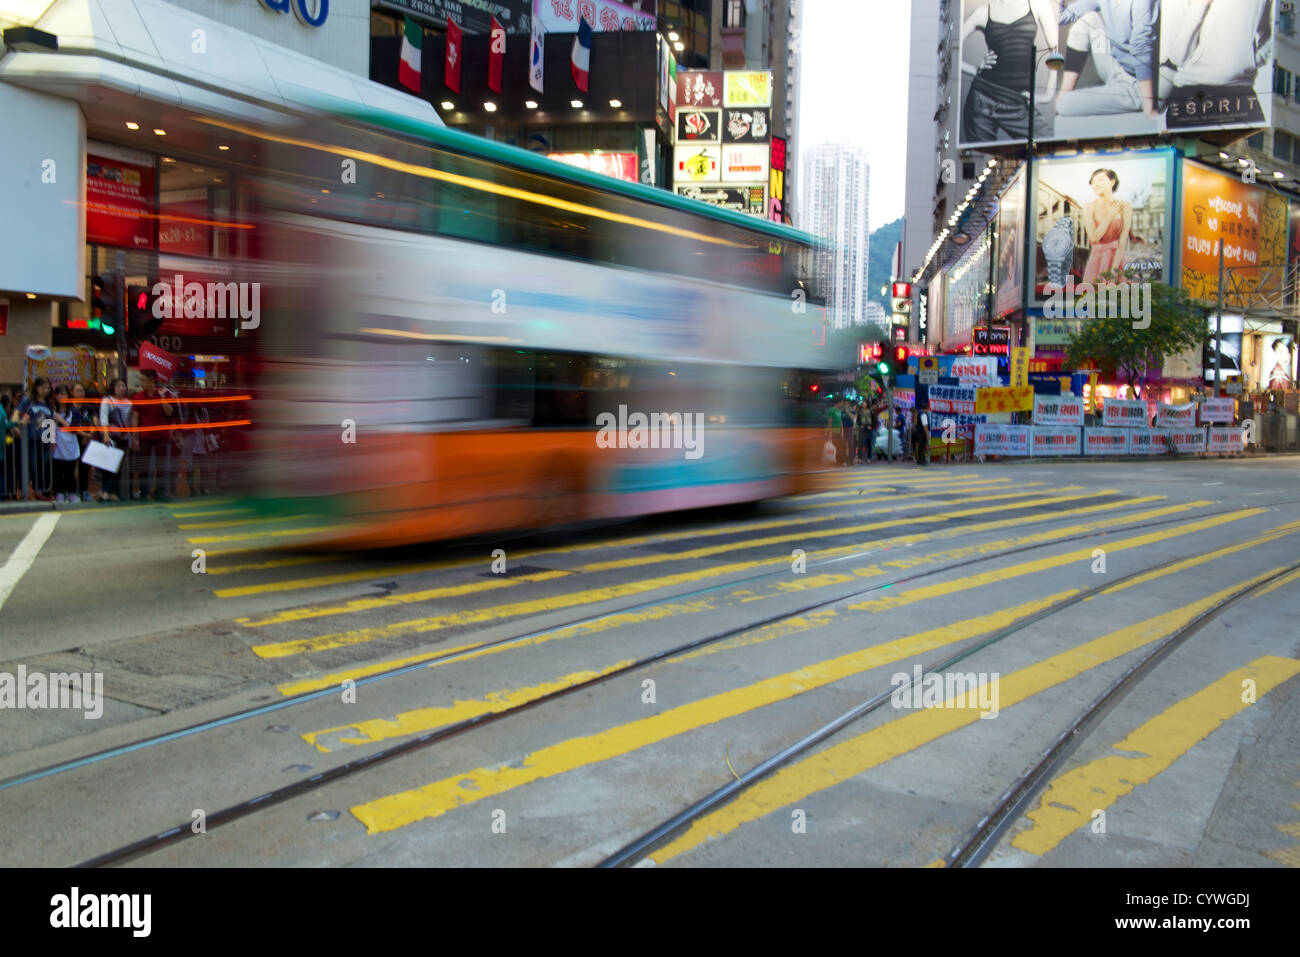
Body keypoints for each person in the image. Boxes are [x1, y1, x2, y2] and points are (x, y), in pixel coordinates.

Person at [961, 0, 1062, 142]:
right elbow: (952, 48)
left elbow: (1055, 52)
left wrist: (1048, 95)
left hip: (1018, 101)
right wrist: (975, 69)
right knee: (981, 160)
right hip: (982, 99)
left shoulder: (1037, 4)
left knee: (1045, 146)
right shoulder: (983, 13)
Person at [1055, 0, 1161, 120]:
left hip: (1139, 84)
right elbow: (1062, 17)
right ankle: (1063, 94)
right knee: (1088, 19)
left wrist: (1149, 107)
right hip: (1117, 67)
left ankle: (1142, 100)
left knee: (1066, 104)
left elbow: (1142, 47)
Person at [131, 370, 178, 500]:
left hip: (162, 436)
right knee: (144, 467)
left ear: (152, 381)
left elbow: (169, 413)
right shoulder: (138, 397)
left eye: (143, 380)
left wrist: (163, 398)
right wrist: (135, 438)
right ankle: (144, 493)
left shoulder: (164, 393)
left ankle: (160, 493)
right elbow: (135, 418)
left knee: (162, 467)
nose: (141, 383)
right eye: (141, 380)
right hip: (145, 436)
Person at [1080, 168, 1131, 282]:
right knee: (1094, 296)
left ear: (1112, 182)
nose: (1096, 185)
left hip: (1117, 260)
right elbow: (1093, 237)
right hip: (1096, 261)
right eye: (1093, 183)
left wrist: (1113, 271)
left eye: (1100, 180)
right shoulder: (1089, 207)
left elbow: (1122, 242)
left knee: (1119, 296)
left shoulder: (1124, 205)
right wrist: (1110, 216)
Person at [16, 376, 55, 500]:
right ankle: (24, 492)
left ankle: (39, 492)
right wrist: (17, 425)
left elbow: (51, 422)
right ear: (37, 388)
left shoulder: (49, 404)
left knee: (41, 466)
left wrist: (52, 440)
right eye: (43, 388)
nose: (46, 390)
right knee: (30, 465)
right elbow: (17, 413)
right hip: (30, 438)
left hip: (45, 440)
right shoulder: (28, 401)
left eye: (48, 388)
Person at [99, 378, 132, 501]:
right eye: (118, 386)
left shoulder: (129, 403)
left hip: (124, 437)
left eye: (123, 386)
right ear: (113, 387)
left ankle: (114, 492)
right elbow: (104, 419)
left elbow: (129, 422)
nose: (121, 388)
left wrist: (131, 437)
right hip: (111, 437)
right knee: (107, 465)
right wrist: (106, 435)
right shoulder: (107, 401)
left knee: (118, 466)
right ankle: (105, 491)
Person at [49, 386, 83, 504]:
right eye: (58, 394)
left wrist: (61, 420)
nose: (61, 397)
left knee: (70, 470)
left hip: (71, 444)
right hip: (57, 444)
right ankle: (59, 493)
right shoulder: (51, 411)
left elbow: (74, 430)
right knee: (58, 470)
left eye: (64, 394)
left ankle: (71, 493)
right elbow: (48, 428)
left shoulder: (74, 411)